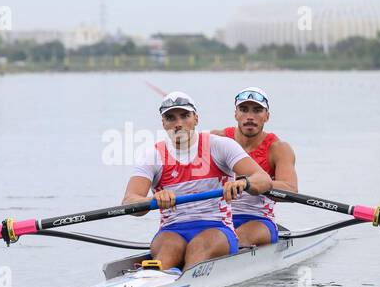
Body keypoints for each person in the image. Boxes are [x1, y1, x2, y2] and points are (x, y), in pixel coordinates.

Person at [123, 90, 272, 273]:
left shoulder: (220, 146)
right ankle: (153, 280)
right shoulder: (152, 155)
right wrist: (152, 200)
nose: (178, 124)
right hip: (171, 230)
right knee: (167, 250)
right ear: (163, 124)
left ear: (196, 119)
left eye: (185, 116)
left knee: (198, 248)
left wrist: (244, 184)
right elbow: (129, 200)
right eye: (171, 118)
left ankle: (182, 280)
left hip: (216, 228)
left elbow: (263, 179)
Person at [211, 87, 296, 247]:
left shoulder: (278, 148)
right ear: (235, 114)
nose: (250, 116)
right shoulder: (217, 139)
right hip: (217, 219)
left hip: (258, 220)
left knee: (232, 242)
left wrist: (248, 183)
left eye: (257, 110)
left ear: (267, 116)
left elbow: (290, 189)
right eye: (243, 110)